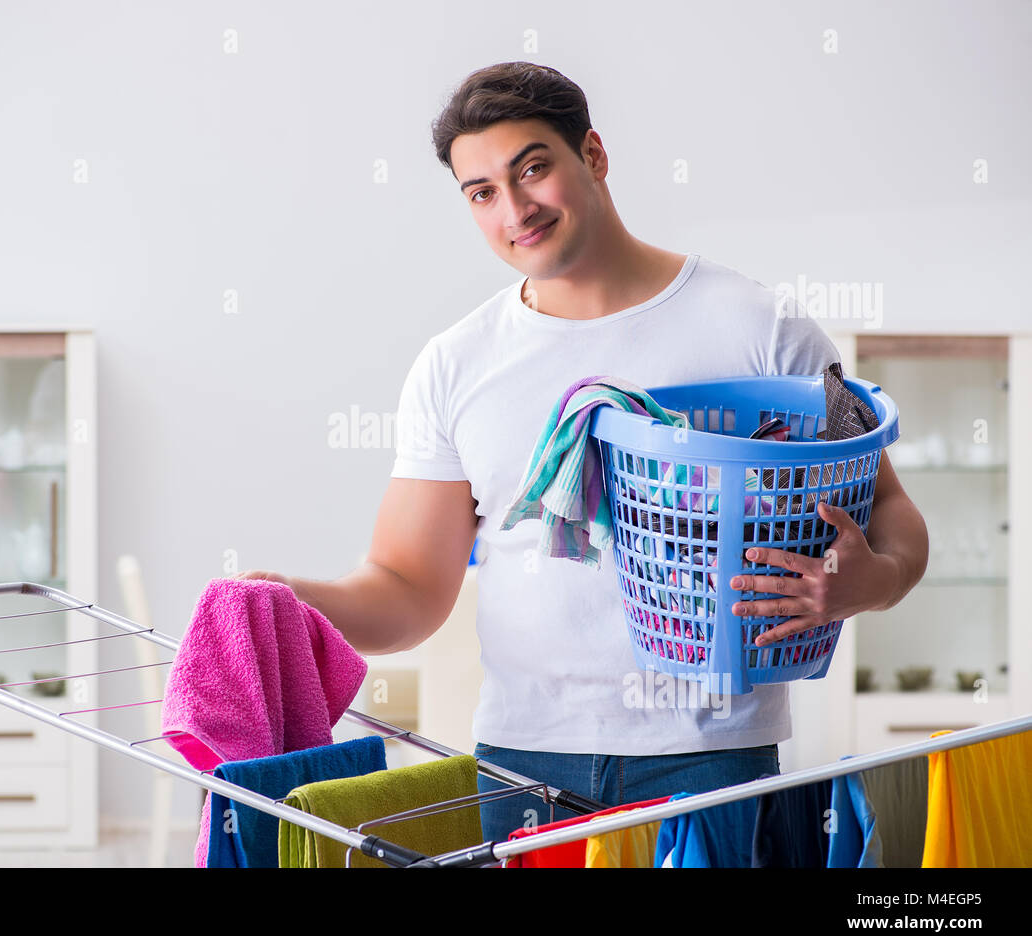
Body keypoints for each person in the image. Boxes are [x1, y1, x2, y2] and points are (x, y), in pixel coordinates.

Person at [236, 61, 929, 845]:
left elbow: (892, 510)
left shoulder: (761, 326)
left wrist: (873, 579)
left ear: (592, 155)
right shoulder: (457, 364)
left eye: (533, 168)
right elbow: (409, 586)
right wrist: (293, 599)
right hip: (525, 762)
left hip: (708, 760)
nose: (515, 209)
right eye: (483, 192)